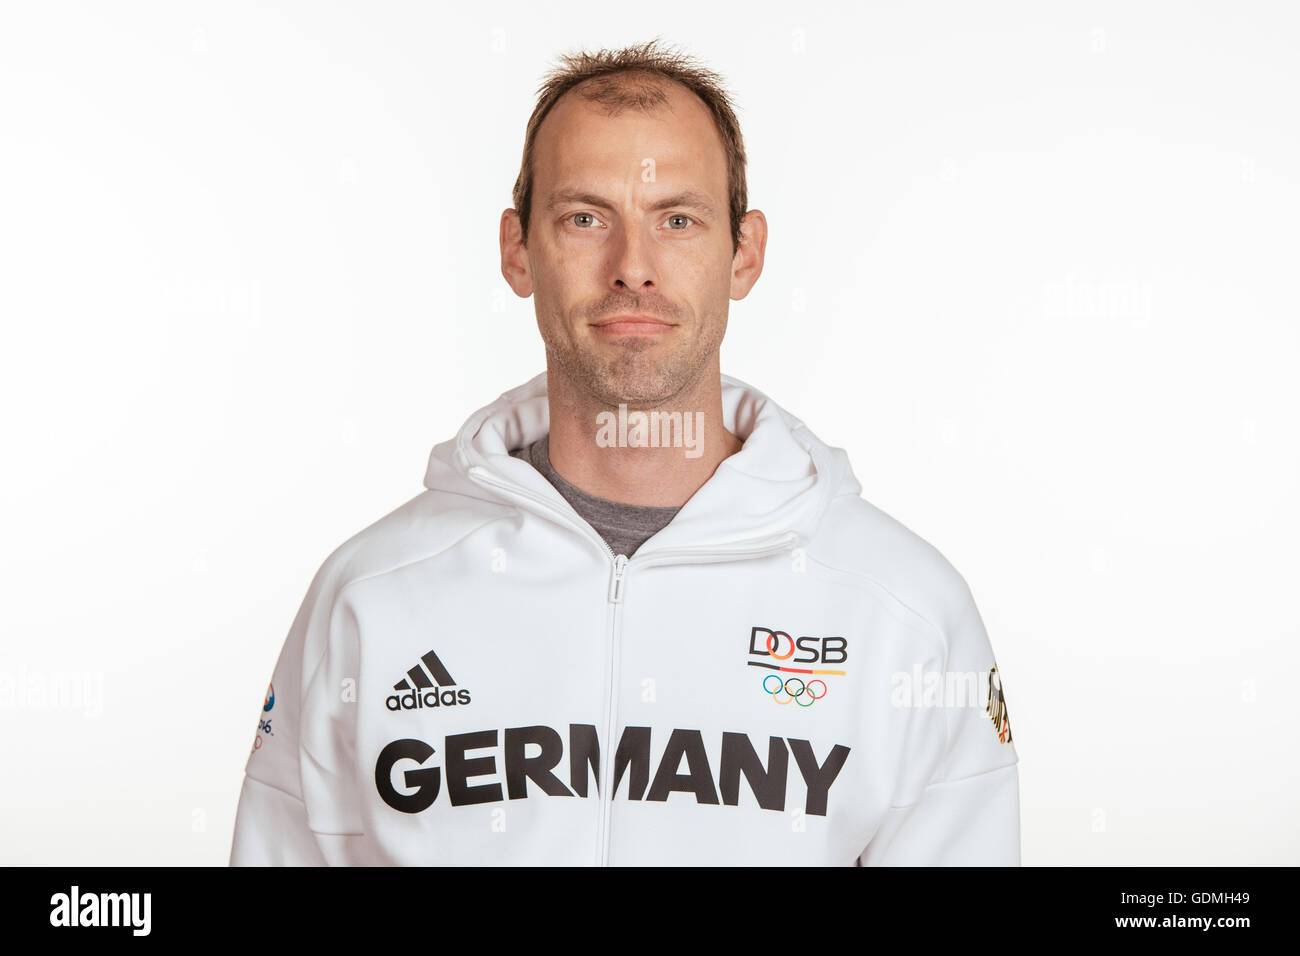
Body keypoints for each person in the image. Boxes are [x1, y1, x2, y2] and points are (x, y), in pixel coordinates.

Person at [229, 37, 1020, 866]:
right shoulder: (372, 595)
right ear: (517, 250)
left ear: (743, 253)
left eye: (677, 220)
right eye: (584, 218)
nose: (632, 269)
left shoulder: (901, 611)